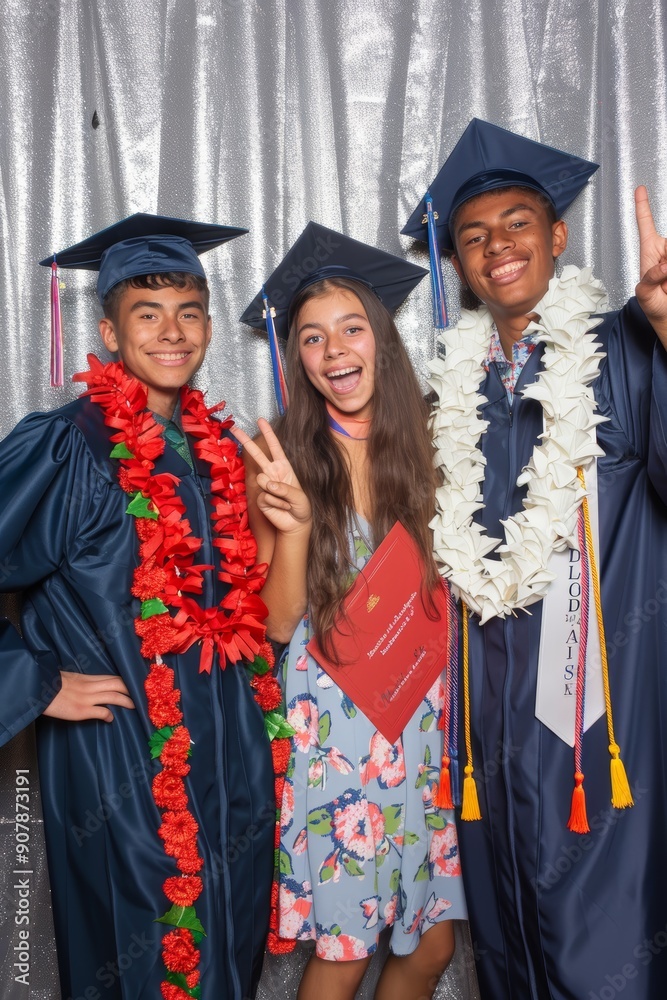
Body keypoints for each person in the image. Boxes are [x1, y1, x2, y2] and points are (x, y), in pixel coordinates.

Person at [402, 118, 667, 998]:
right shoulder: (456, 393)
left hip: (601, 721)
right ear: (459, 267)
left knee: (603, 954)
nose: (495, 246)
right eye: (471, 236)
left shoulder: (625, 350)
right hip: (487, 734)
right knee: (509, 954)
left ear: (556, 237)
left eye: (516, 223)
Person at [0, 214, 274, 1000]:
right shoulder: (64, 445)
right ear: (109, 332)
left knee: (229, 941)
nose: (172, 331)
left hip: (229, 749)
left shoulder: (217, 450)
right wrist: (37, 682)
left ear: (211, 327)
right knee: (151, 954)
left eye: (189, 311)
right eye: (146, 314)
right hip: (125, 758)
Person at [236, 223, 467, 1000]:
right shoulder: (282, 461)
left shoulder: (434, 444)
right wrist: (297, 527)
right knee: (345, 951)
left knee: (432, 943)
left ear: (381, 339)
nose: (334, 351)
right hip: (336, 738)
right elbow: (274, 623)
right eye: (311, 338)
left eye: (350, 328)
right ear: (295, 359)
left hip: (422, 726)